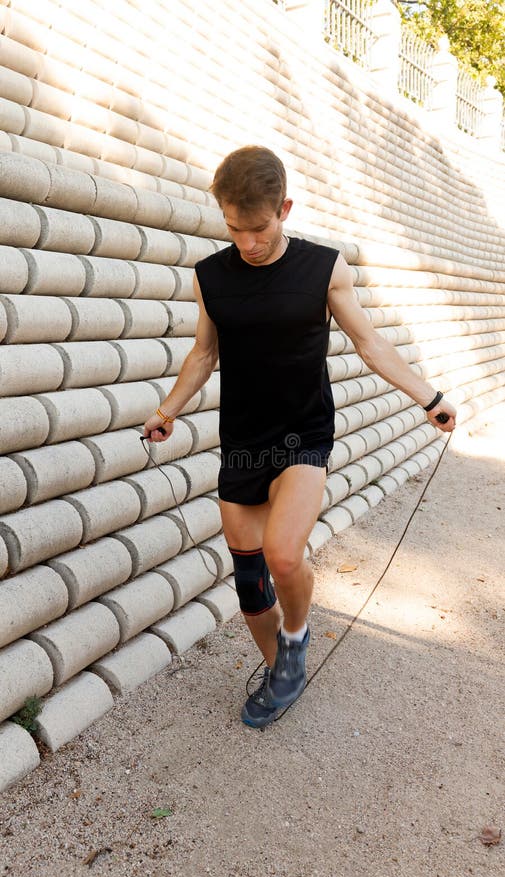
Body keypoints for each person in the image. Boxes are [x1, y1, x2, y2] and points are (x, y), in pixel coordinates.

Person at [143, 146, 456, 728]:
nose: (249, 244)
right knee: (249, 582)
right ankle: (281, 667)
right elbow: (204, 353)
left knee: (283, 555)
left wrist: (428, 397)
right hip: (242, 440)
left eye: (259, 229)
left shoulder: (324, 268)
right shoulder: (211, 277)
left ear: (284, 209)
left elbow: (371, 344)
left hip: (303, 437)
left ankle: (296, 635)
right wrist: (168, 409)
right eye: (235, 230)